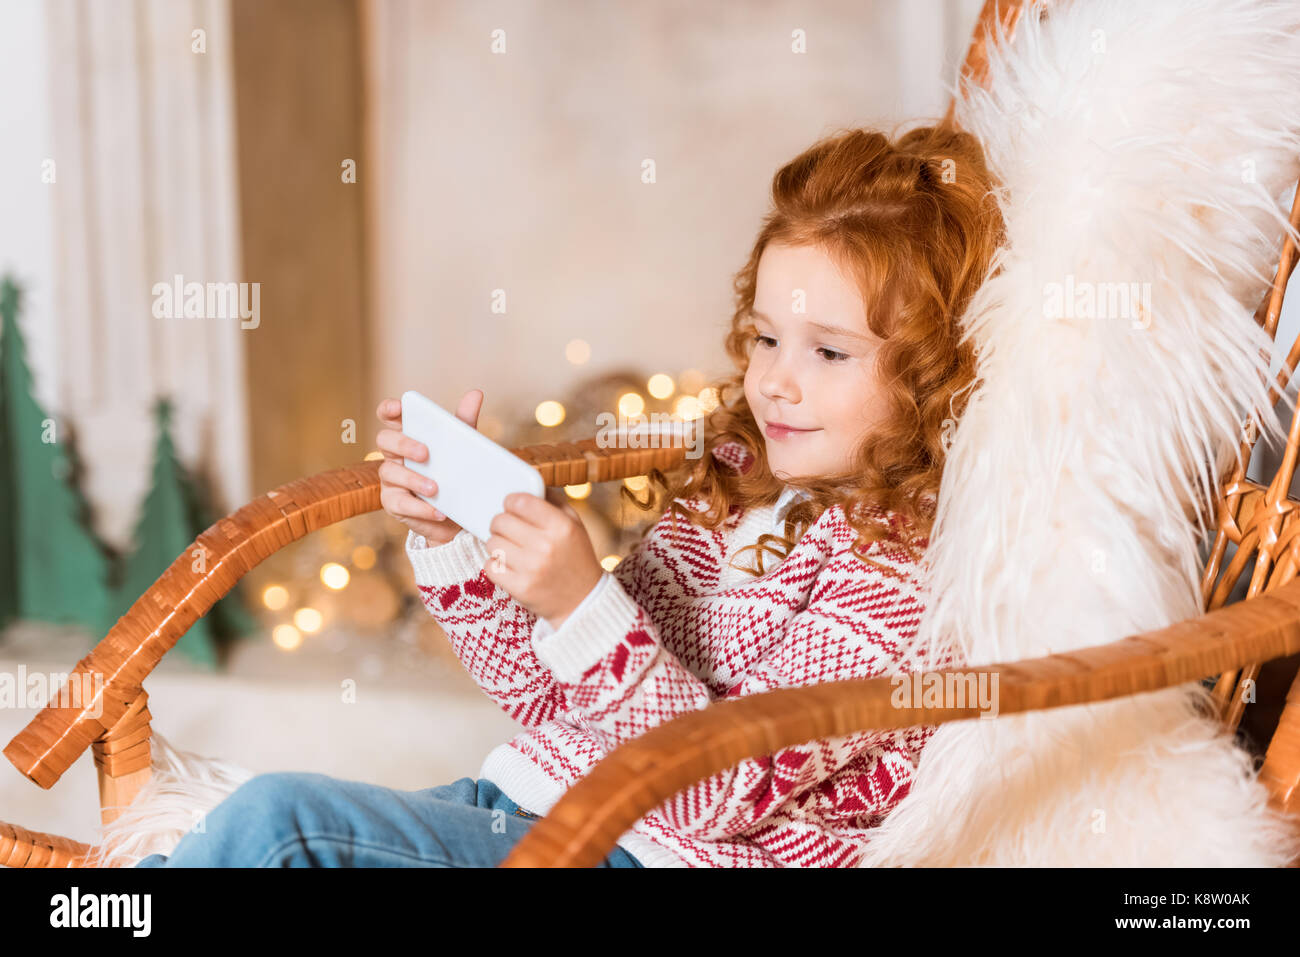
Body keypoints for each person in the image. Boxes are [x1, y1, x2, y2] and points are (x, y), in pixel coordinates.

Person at [135, 120, 1003, 867]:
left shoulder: (901, 585)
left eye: (828, 352)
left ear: (933, 373)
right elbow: (552, 701)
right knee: (204, 846)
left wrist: (587, 606)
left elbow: (718, 793)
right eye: (766, 336)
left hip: (647, 853)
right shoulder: (728, 504)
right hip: (520, 803)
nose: (775, 380)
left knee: (277, 826)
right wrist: (454, 542)